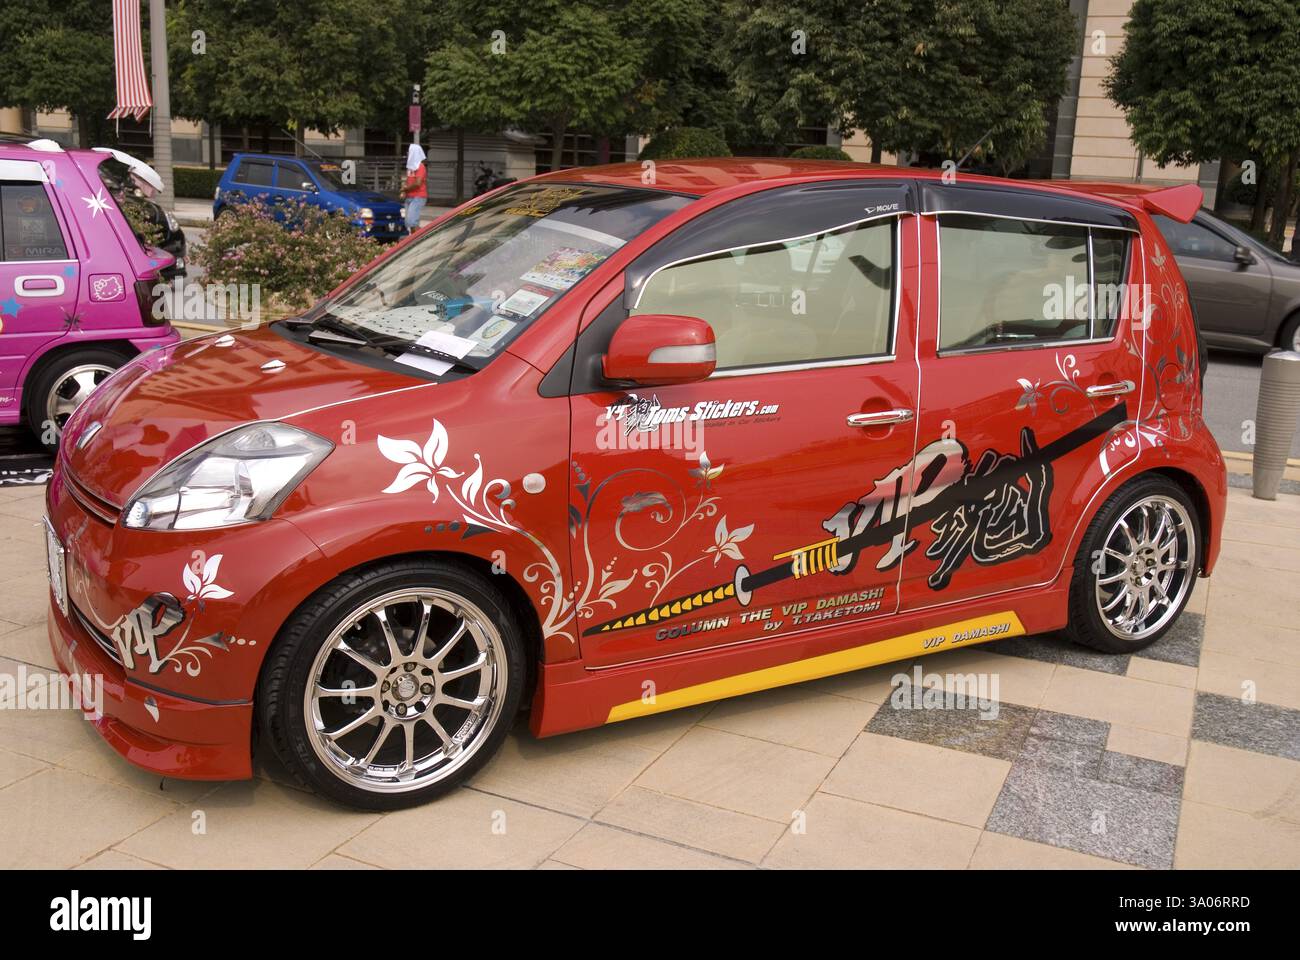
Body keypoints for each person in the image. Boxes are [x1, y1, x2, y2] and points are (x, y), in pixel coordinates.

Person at [402, 143, 427, 230]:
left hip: (418, 197)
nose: (407, 153)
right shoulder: (410, 167)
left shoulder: (420, 166)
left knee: (412, 221)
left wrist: (406, 189)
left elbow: (418, 183)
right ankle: (414, 239)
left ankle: (420, 239)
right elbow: (408, 181)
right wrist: (404, 191)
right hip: (410, 196)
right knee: (408, 223)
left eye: (409, 151)